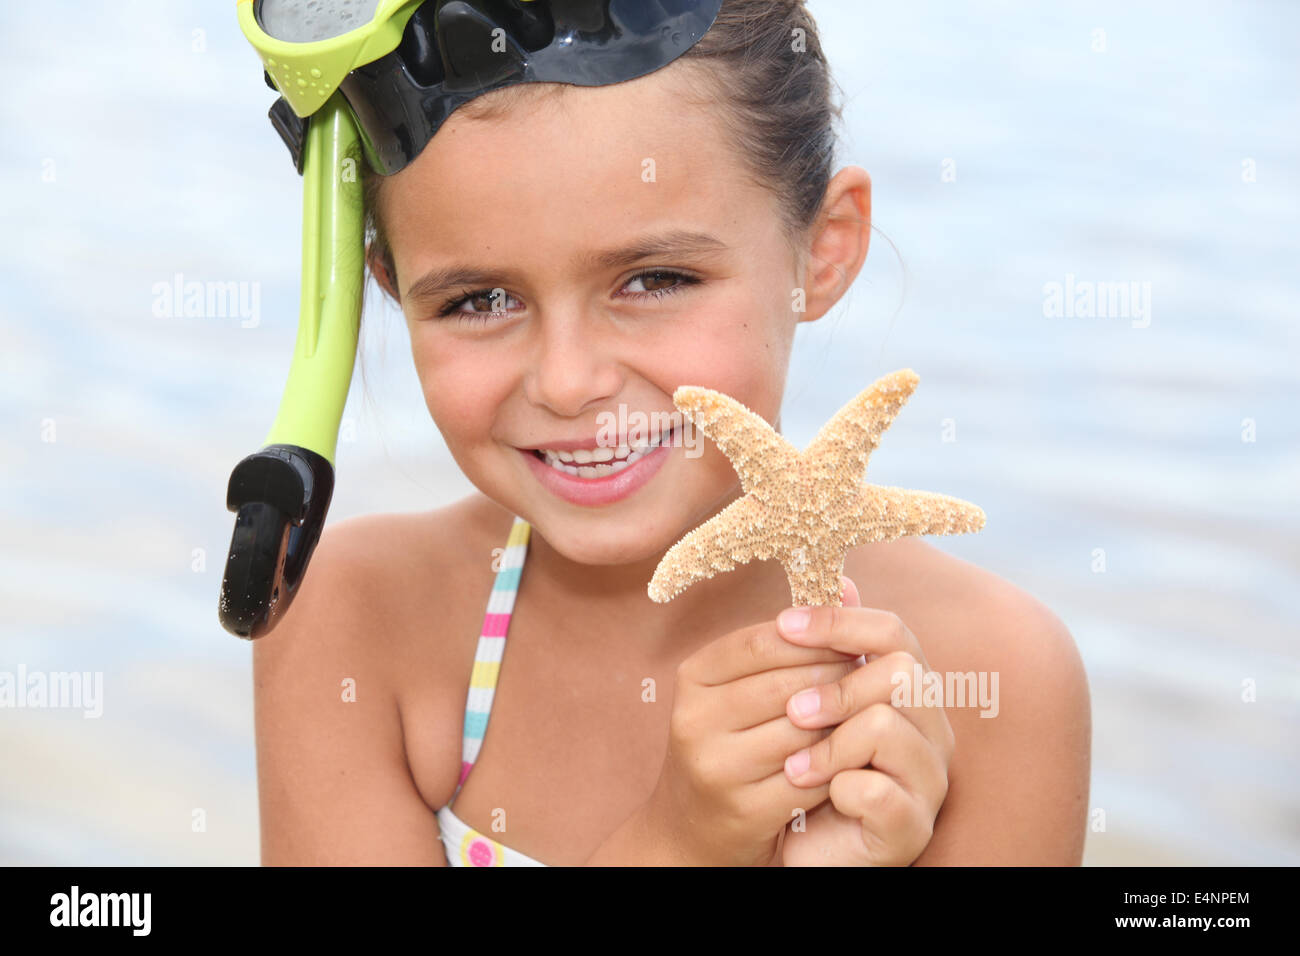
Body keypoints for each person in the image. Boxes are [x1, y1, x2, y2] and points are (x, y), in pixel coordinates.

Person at [252, 0, 1091, 866]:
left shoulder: (997, 679)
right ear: (386, 286)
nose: (569, 382)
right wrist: (680, 844)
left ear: (825, 249)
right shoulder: (354, 621)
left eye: (654, 279)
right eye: (481, 300)